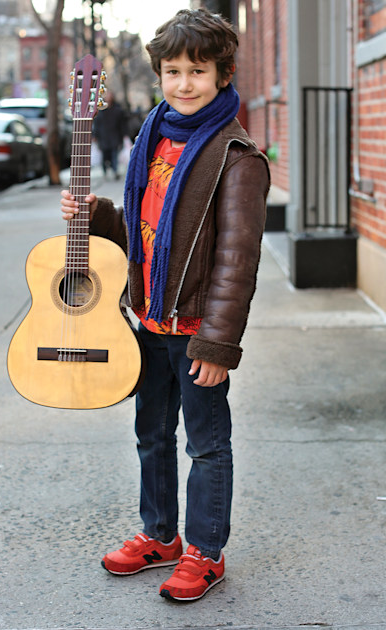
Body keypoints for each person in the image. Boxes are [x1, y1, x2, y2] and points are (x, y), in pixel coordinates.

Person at [59, 9, 269, 602]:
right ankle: (160, 535)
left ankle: (204, 551)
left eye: (197, 71)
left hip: (199, 328)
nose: (183, 83)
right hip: (145, 319)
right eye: (172, 71)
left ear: (223, 75)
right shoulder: (154, 137)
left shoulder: (237, 157)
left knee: (205, 442)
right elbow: (143, 231)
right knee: (150, 432)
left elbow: (236, 261)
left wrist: (218, 343)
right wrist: (97, 216)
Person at [92, 98, 128, 180]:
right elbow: (96, 125)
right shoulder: (99, 112)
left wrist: (124, 135)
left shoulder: (117, 111)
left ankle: (115, 171)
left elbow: (122, 124)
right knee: (104, 156)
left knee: (114, 155)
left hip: (114, 137)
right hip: (103, 137)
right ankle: (105, 172)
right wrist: (94, 136)